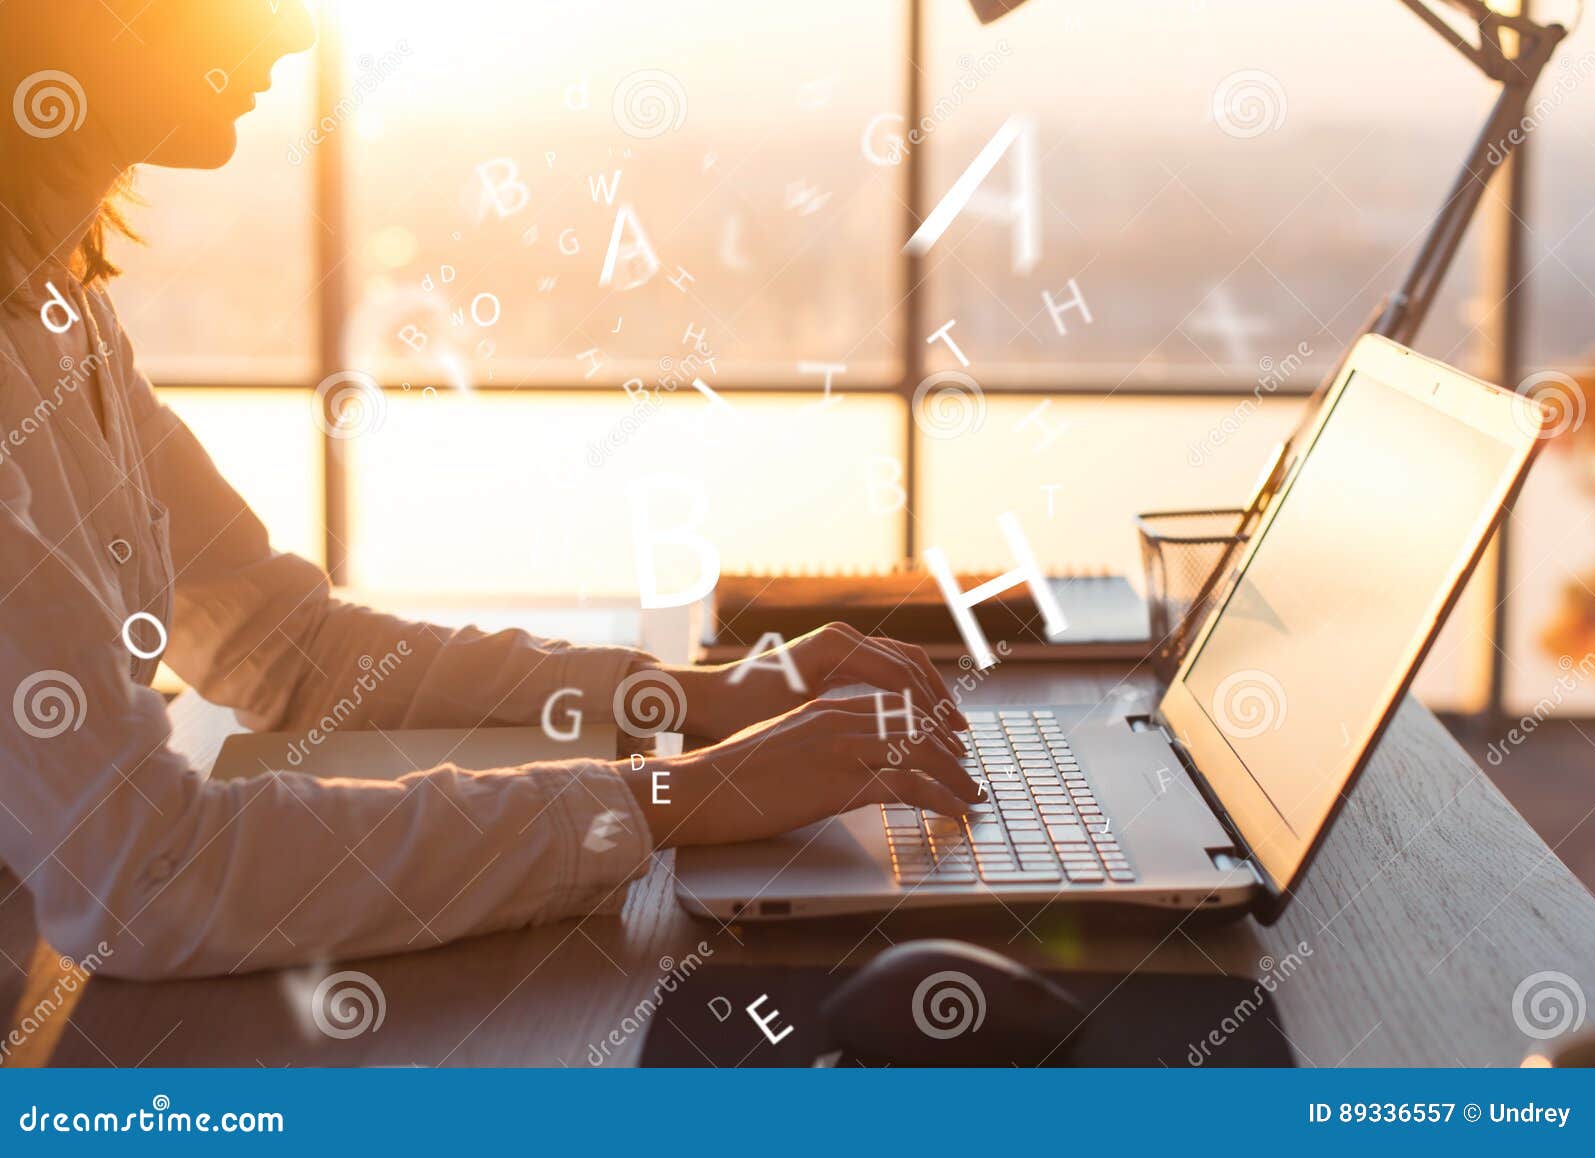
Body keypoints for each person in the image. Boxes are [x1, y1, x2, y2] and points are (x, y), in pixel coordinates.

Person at [0, 0, 979, 981]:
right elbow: (152, 874)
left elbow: (288, 653)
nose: (293, 34)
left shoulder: (62, 307)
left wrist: (703, 698)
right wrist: (681, 796)